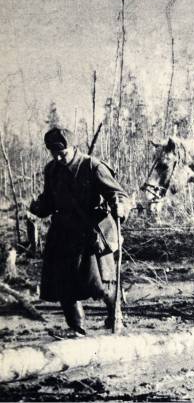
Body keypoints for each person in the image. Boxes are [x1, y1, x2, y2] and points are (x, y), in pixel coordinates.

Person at [28, 127, 130, 335]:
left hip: (90, 233)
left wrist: (120, 206)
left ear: (73, 148)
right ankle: (76, 329)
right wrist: (37, 207)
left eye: (62, 153)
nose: (58, 157)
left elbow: (118, 194)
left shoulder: (93, 167)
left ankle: (115, 317)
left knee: (101, 283)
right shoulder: (52, 170)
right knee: (63, 285)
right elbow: (49, 200)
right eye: (53, 153)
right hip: (62, 234)